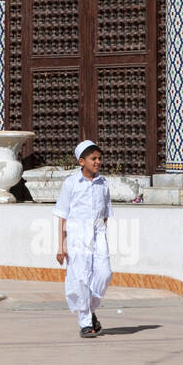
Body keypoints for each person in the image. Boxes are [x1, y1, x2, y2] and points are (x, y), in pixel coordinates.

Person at [55, 140, 112, 339]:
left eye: (99, 158)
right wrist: (61, 245)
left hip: (98, 235)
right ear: (82, 161)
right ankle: (86, 323)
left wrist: (102, 235)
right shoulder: (70, 183)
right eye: (93, 158)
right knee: (80, 279)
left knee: (105, 274)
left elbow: (105, 213)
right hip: (76, 237)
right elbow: (62, 215)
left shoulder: (103, 183)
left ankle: (89, 308)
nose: (97, 162)